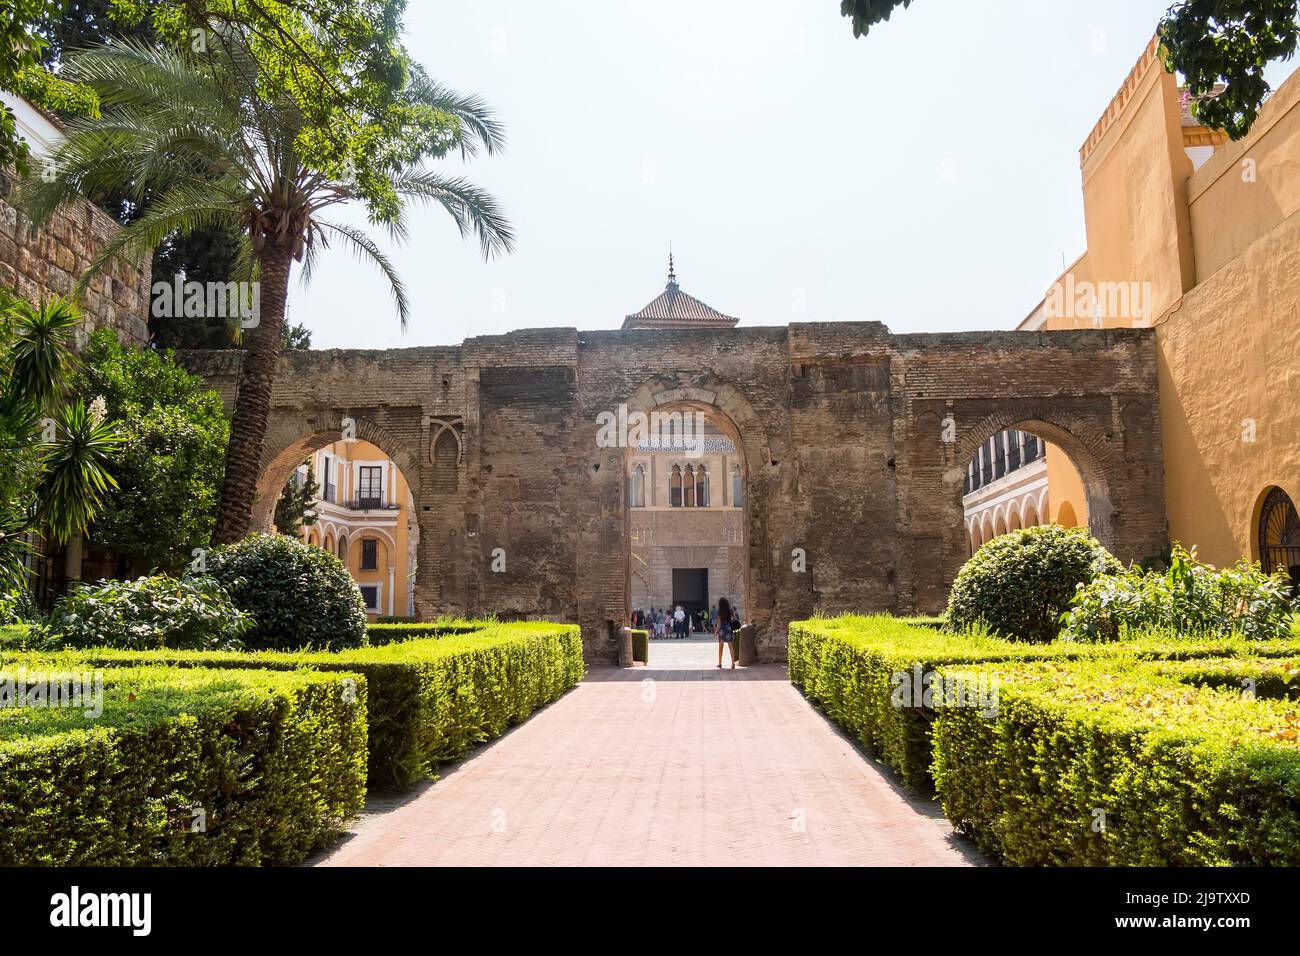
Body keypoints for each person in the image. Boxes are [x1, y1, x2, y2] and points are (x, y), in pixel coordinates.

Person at [715, 596, 737, 669]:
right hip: (728, 629)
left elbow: (718, 623)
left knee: (721, 648)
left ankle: (720, 663)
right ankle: (733, 663)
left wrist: (715, 632)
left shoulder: (719, 611)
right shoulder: (730, 611)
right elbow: (735, 619)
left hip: (721, 630)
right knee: (731, 647)